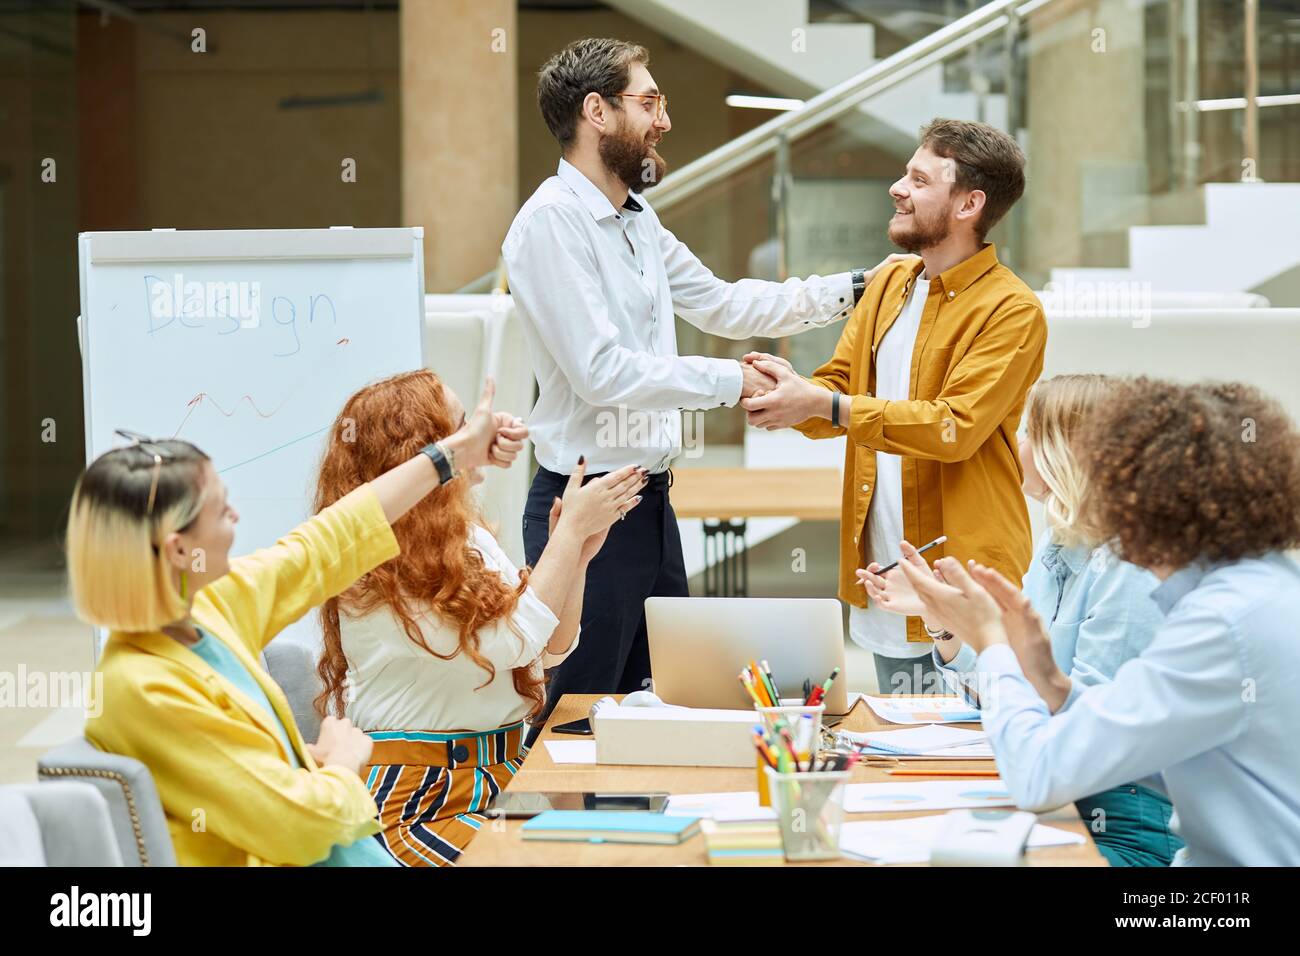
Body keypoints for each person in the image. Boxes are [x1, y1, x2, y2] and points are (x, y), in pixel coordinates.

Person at [503, 37, 893, 731]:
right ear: (597, 111)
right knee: (573, 723)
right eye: (649, 101)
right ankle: (560, 841)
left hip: (649, 502)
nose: (665, 121)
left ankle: (641, 838)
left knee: (657, 711)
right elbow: (602, 371)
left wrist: (860, 288)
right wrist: (733, 381)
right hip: (586, 513)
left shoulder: (637, 218)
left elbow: (723, 303)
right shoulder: (549, 226)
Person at [74, 379, 527, 866]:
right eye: (220, 508)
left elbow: (332, 538)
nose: (236, 514)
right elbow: (297, 828)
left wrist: (452, 456)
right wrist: (342, 763)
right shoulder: (147, 689)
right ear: (181, 550)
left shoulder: (208, 610)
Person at [899, 378, 1300, 866]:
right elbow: (1149, 743)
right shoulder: (1259, 590)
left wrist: (992, 643)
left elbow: (1037, 776)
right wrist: (1047, 681)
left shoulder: (1217, 624)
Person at [739, 118, 1045, 695]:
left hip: (970, 580)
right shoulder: (889, 284)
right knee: (905, 761)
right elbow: (838, 385)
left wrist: (825, 404)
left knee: (975, 757)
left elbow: (953, 428)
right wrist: (782, 391)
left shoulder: (1012, 309)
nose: (896, 188)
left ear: (968, 204)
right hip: (884, 574)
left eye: (919, 179)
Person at [312, 370, 643, 866]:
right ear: (421, 454)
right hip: (421, 798)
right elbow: (520, 640)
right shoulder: (380, 561)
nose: (481, 436)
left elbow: (550, 650)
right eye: (463, 426)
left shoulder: (464, 538)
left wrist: (577, 557)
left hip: (498, 777)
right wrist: (569, 534)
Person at [858, 374, 1181, 866]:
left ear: (1067, 452)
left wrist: (988, 640)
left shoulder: (1130, 567)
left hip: (1123, 829)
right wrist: (940, 619)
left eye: (1030, 433)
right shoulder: (1061, 544)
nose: (1019, 445)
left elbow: (1085, 732)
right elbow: (1005, 691)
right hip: (1065, 802)